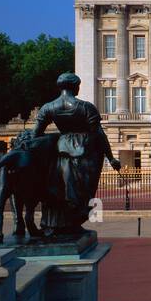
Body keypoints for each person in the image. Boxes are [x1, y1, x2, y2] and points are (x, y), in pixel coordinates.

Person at [30, 72, 120, 238]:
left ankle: (55, 225)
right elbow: (99, 134)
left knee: (58, 187)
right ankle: (72, 224)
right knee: (80, 191)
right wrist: (111, 157)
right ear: (74, 86)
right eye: (78, 85)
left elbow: (35, 134)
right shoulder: (86, 107)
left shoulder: (49, 107)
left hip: (60, 149)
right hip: (84, 152)